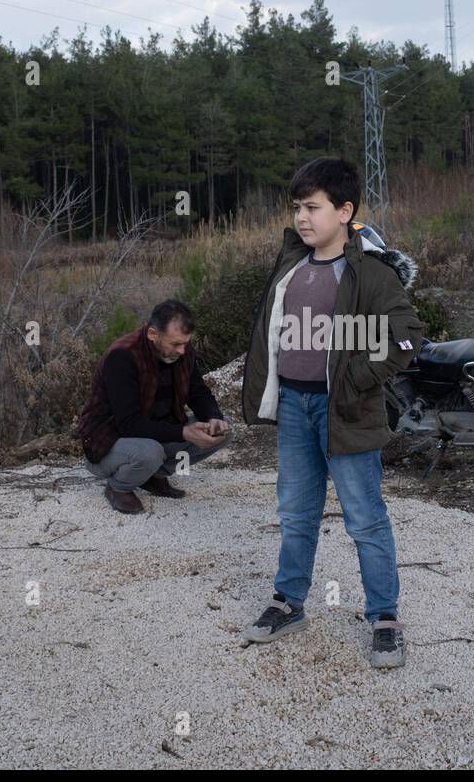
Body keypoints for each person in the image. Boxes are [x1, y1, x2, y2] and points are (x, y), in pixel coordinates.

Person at [240, 157, 423, 669]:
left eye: (313, 207)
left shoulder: (369, 273)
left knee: (364, 520)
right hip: (295, 409)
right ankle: (288, 602)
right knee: (295, 514)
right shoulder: (292, 265)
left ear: (345, 211)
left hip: (346, 411)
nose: (302, 217)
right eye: (297, 207)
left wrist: (359, 378)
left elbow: (406, 337)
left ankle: (385, 618)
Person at [75, 300, 230, 514]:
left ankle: (152, 477)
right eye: (175, 344)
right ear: (152, 334)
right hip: (107, 444)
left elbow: (198, 393)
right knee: (150, 453)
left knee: (224, 429)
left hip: (153, 433)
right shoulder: (122, 356)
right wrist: (184, 432)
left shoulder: (181, 351)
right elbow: (129, 424)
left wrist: (213, 417)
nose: (182, 350)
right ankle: (119, 487)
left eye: (185, 343)